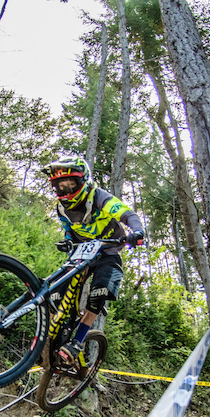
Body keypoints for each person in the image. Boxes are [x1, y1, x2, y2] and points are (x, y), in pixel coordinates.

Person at [42, 156, 146, 366]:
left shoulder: (99, 197)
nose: (66, 189)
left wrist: (137, 230)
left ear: (83, 181)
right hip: (82, 252)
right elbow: (69, 229)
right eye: (60, 186)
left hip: (108, 251)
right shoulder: (61, 208)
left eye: (71, 183)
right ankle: (51, 336)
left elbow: (127, 214)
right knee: (54, 291)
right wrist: (68, 241)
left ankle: (78, 341)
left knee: (99, 294)